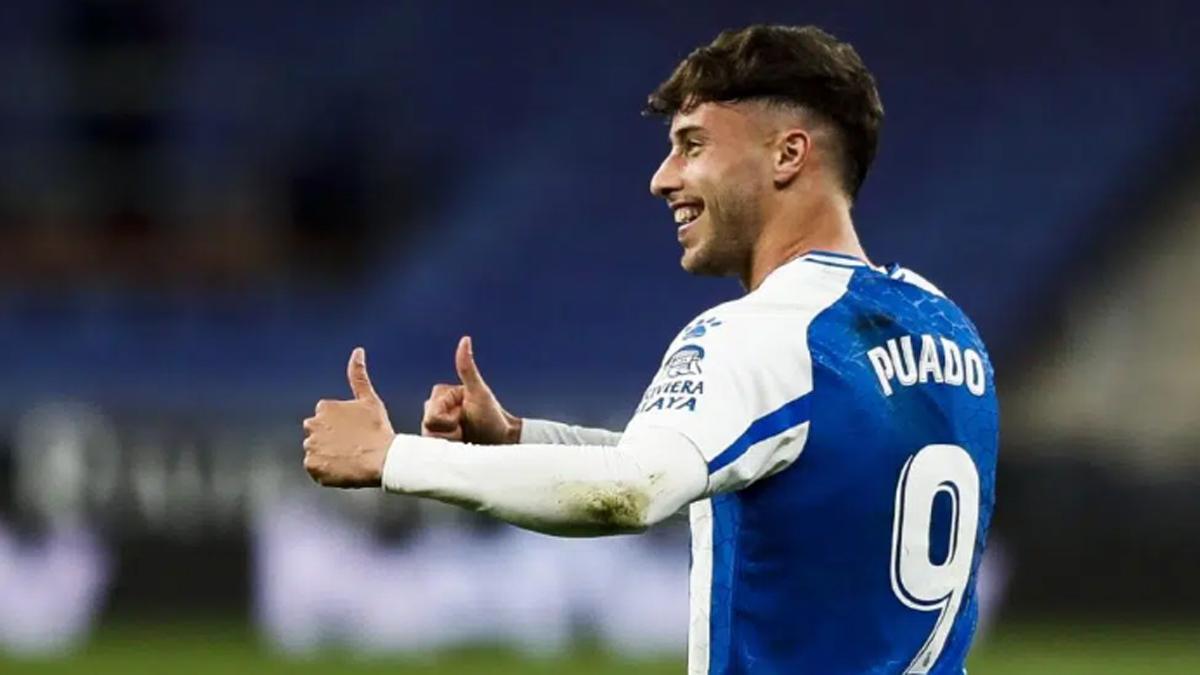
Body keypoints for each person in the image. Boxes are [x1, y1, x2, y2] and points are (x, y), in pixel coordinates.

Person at [302, 24, 998, 674]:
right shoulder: (946, 327)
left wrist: (390, 456)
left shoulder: (763, 332)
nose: (663, 177)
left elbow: (629, 491)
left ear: (788, 154)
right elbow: (741, 456)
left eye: (693, 145)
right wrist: (518, 438)